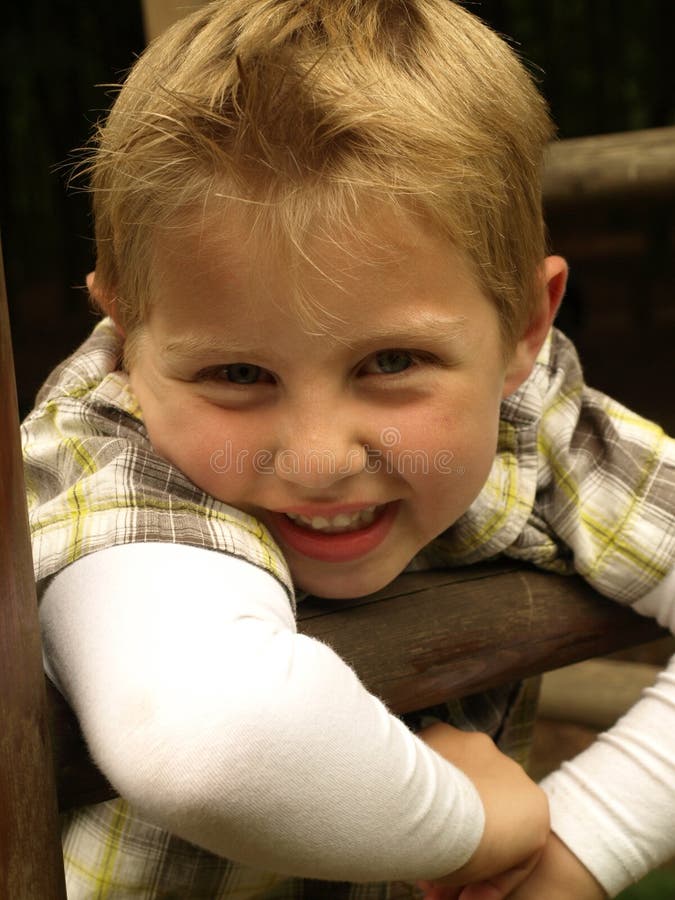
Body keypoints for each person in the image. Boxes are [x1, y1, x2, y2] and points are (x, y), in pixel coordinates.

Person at [22, 1, 675, 898]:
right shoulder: (109, 454)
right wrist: (481, 828)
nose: (318, 457)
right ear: (126, 335)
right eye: (239, 373)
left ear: (524, 326)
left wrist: (585, 843)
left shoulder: (527, 404)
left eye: (391, 362)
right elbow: (208, 742)